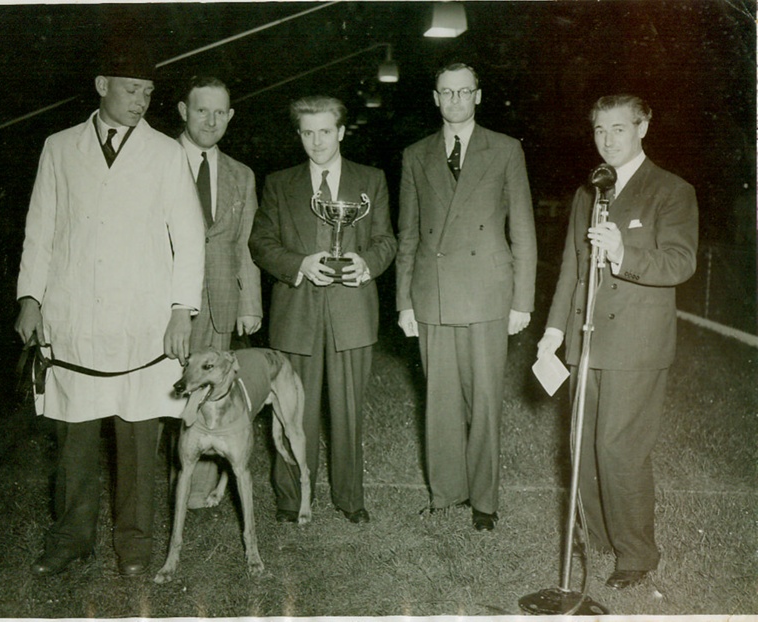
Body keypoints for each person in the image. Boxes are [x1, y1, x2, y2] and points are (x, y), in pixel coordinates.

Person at [14, 39, 205, 578]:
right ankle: (71, 538)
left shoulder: (167, 153)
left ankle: (135, 546)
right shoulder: (58, 147)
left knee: (138, 438)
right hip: (72, 316)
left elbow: (189, 241)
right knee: (74, 434)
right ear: (102, 87)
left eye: (147, 92)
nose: (140, 102)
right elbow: (40, 230)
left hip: (141, 322)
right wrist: (30, 298)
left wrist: (179, 312)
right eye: (130, 90)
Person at [537, 95, 698, 589]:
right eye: (600, 130)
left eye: (618, 129)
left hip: (636, 345)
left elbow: (680, 262)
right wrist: (552, 332)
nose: (607, 139)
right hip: (585, 341)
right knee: (582, 445)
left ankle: (636, 554)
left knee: (619, 447)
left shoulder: (671, 190)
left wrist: (623, 252)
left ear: (643, 127)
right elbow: (571, 267)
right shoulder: (589, 193)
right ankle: (601, 539)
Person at [396, 62, 537, 531]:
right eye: (446, 92)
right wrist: (403, 302)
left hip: (488, 293)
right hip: (431, 293)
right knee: (438, 400)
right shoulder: (415, 154)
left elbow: (523, 230)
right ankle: (446, 493)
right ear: (435, 98)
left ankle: (484, 501)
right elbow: (408, 235)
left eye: (464, 92)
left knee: (485, 398)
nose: (455, 100)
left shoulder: (506, 149)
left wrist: (523, 301)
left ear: (478, 96)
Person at [249, 95, 396, 524]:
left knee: (348, 411)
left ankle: (350, 498)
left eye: (325, 131)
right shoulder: (279, 183)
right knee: (294, 411)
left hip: (352, 311)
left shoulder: (371, 179)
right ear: (299, 134)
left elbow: (387, 240)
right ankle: (291, 498)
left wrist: (365, 264)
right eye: (308, 132)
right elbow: (261, 243)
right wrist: (299, 265)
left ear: (342, 132)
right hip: (296, 313)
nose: (317, 141)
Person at [177, 75, 262, 509]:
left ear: (230, 116)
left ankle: (197, 495)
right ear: (182, 112)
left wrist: (250, 304)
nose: (210, 120)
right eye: (201, 110)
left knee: (210, 394)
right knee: (165, 391)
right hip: (167, 304)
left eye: (219, 112)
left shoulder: (241, 175)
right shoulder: (159, 160)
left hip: (221, 303)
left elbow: (244, 243)